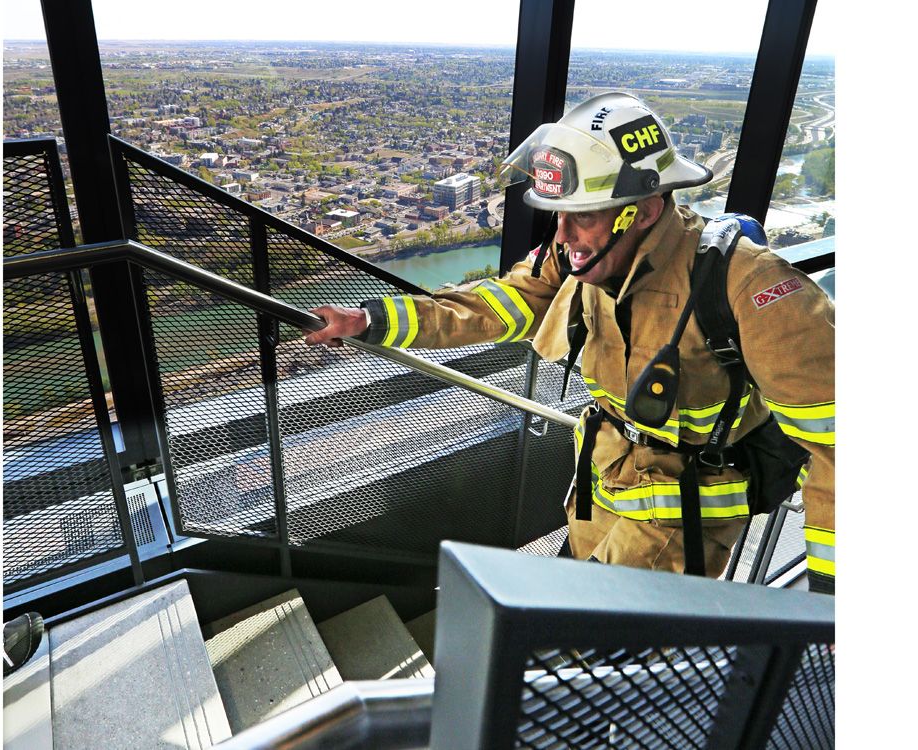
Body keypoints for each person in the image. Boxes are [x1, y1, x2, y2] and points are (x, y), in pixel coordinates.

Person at [305, 92, 834, 594]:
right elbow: (500, 305)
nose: (562, 235)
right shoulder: (585, 256)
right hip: (604, 477)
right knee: (566, 605)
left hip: (682, 510)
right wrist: (370, 320)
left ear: (645, 210)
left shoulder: (751, 287)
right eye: (560, 215)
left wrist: (832, 598)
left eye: (583, 216)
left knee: (593, 639)